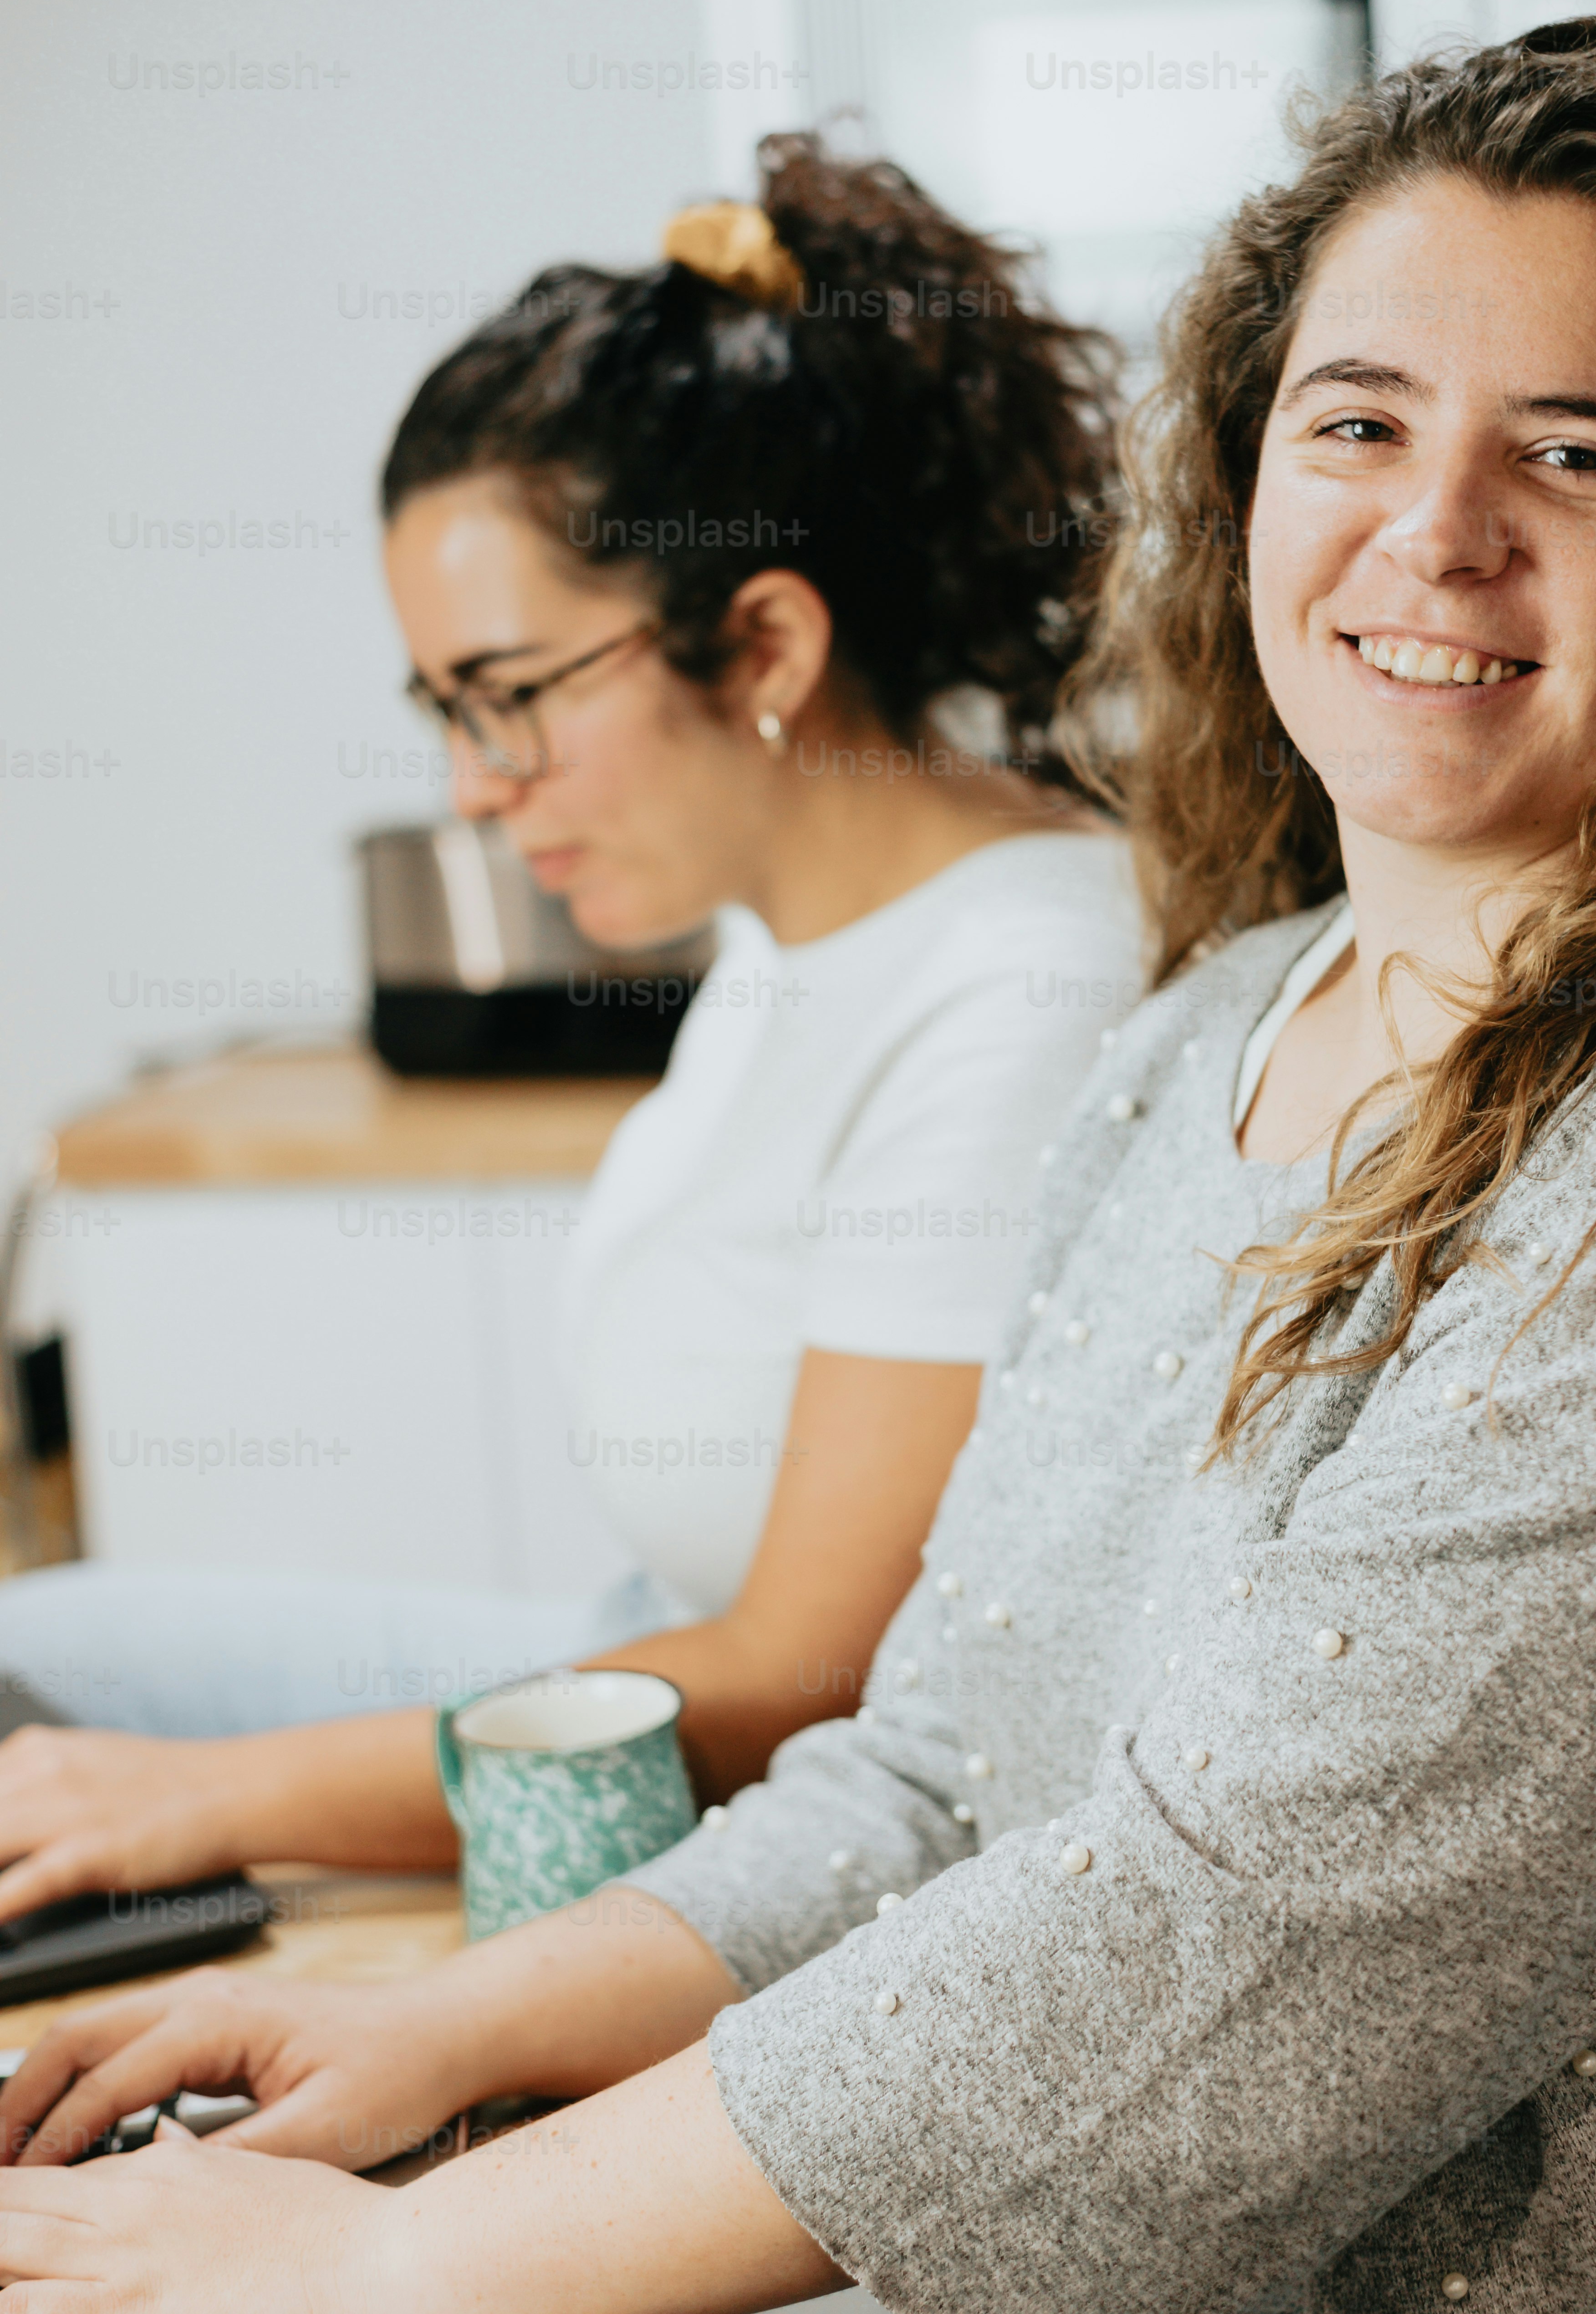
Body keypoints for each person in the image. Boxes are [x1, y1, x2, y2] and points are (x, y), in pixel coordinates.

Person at [7, 18, 1596, 2314]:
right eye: (1361, 425)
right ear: (1245, 473)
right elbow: (947, 1770)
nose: (1438, 535)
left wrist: (392, 2268)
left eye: (1582, 451)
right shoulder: (1215, 1039)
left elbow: (1222, 1954)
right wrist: (444, 2032)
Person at [0, 137, 1143, 1905]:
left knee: (103, 1768)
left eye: (512, 698)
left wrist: (210, 1804)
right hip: (628, 1643)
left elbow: (813, 1684)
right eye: (444, 709)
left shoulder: (1026, 985)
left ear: (761, 647)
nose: (471, 787)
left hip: (741, 1732)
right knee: (47, 1657)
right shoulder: (792, 928)